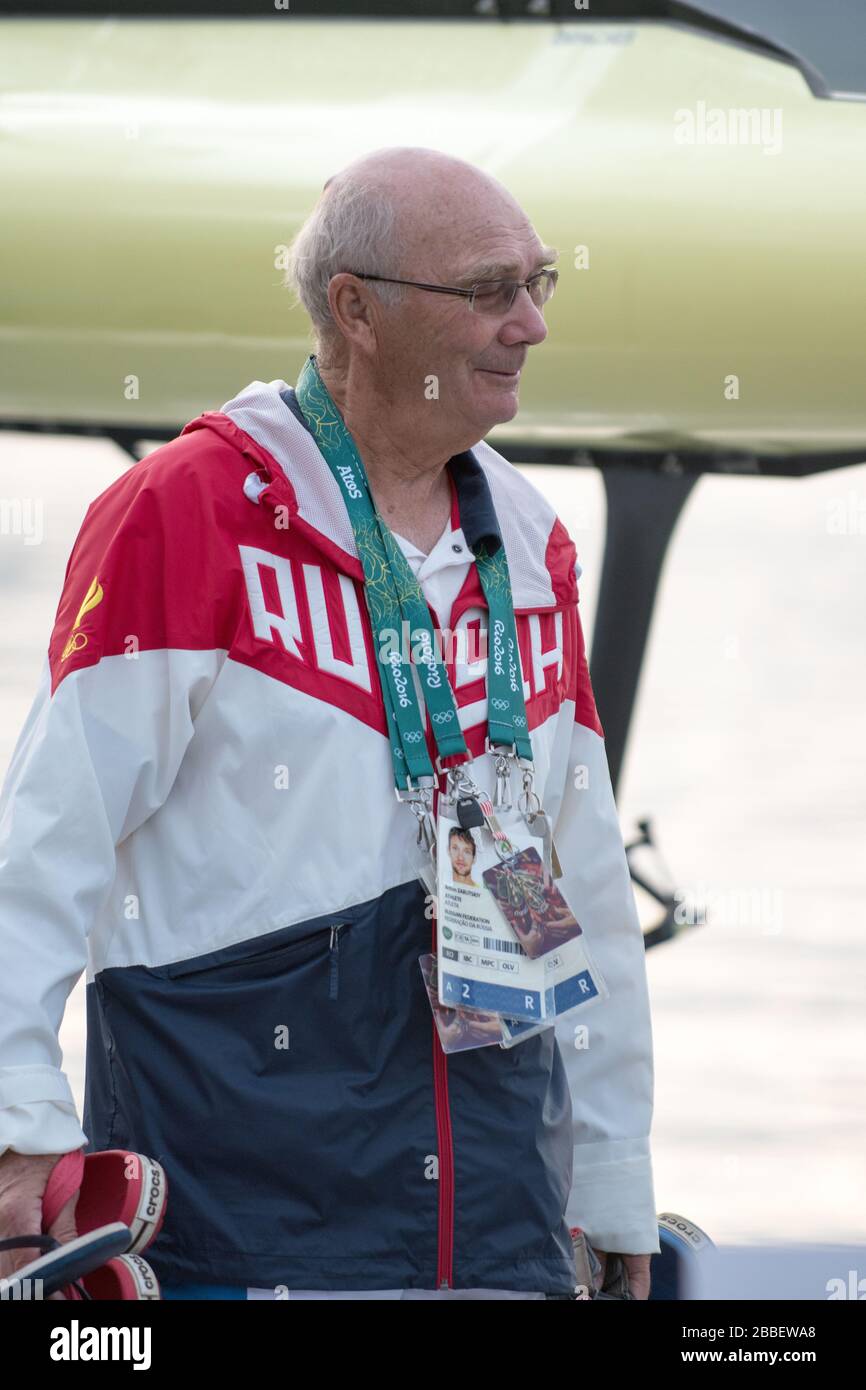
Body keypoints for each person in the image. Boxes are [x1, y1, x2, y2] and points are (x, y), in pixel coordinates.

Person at [0, 147, 659, 1301]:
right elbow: (39, 853)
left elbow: (582, 884)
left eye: (538, 282)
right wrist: (20, 1126)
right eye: (487, 288)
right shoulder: (186, 510)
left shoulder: (531, 538)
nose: (528, 325)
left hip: (502, 1225)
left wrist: (608, 1177)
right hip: (240, 1230)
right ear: (354, 309)